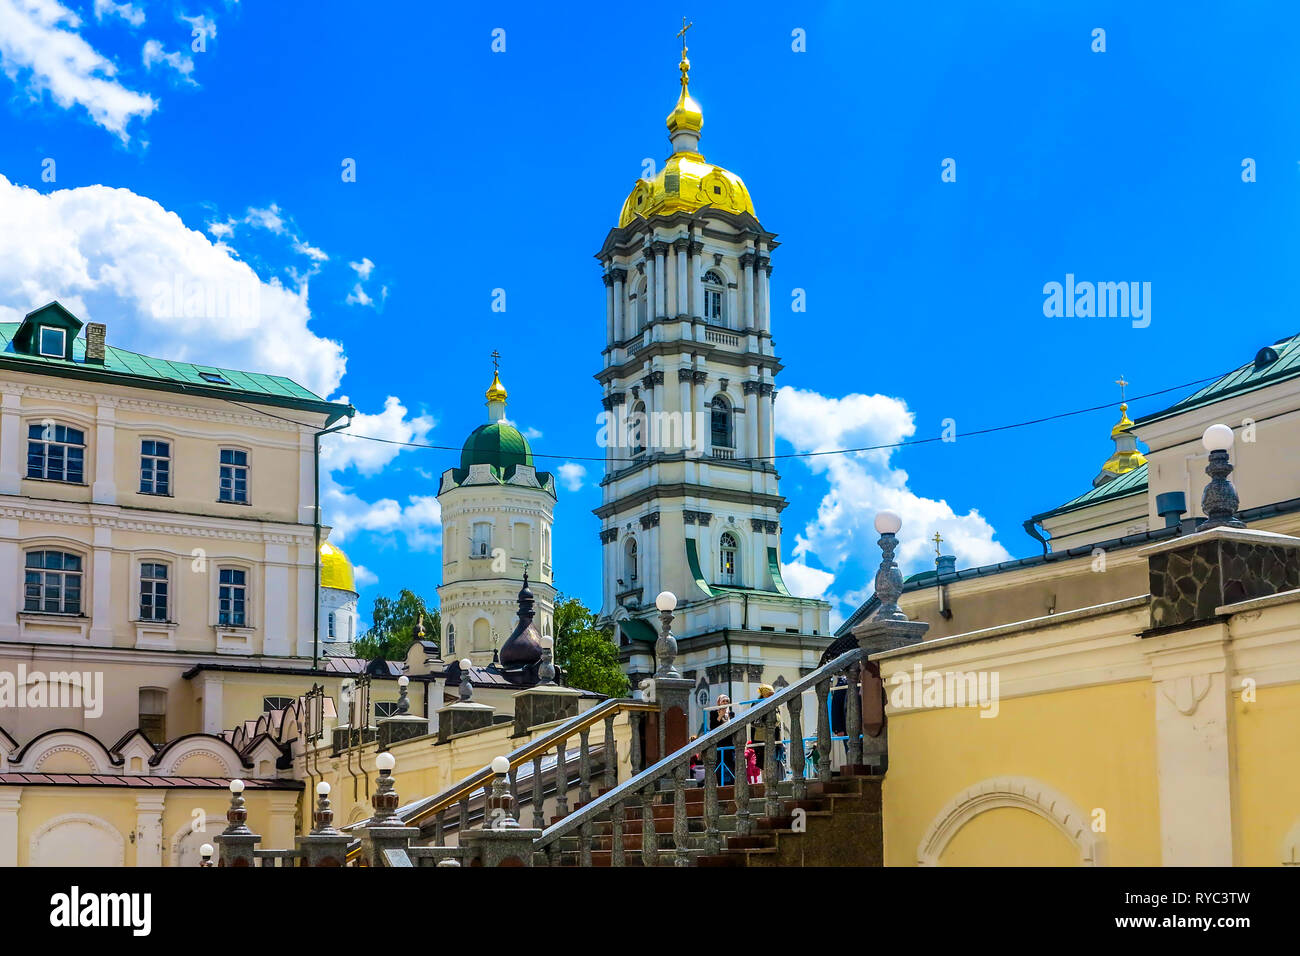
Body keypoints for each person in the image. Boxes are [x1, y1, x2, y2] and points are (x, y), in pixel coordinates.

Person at [709, 694, 736, 785]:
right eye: (723, 701)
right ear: (719, 703)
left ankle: (733, 783)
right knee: (719, 765)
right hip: (719, 743)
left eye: (727, 701)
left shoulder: (731, 714)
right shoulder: (713, 713)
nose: (725, 703)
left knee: (731, 764)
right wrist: (720, 716)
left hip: (729, 743)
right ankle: (720, 784)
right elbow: (713, 728)